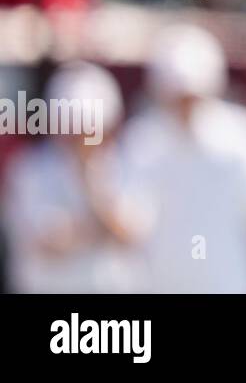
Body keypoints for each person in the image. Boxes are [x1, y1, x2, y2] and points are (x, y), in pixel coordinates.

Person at [121, 24, 246, 293]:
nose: (185, 105)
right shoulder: (143, 140)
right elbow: (129, 225)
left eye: (191, 96)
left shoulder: (245, 136)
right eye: (177, 96)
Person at [1, 62, 146, 292]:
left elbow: (131, 235)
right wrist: (98, 232)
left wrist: (91, 184)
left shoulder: (128, 164)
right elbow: (50, 244)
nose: (80, 138)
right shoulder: (30, 170)